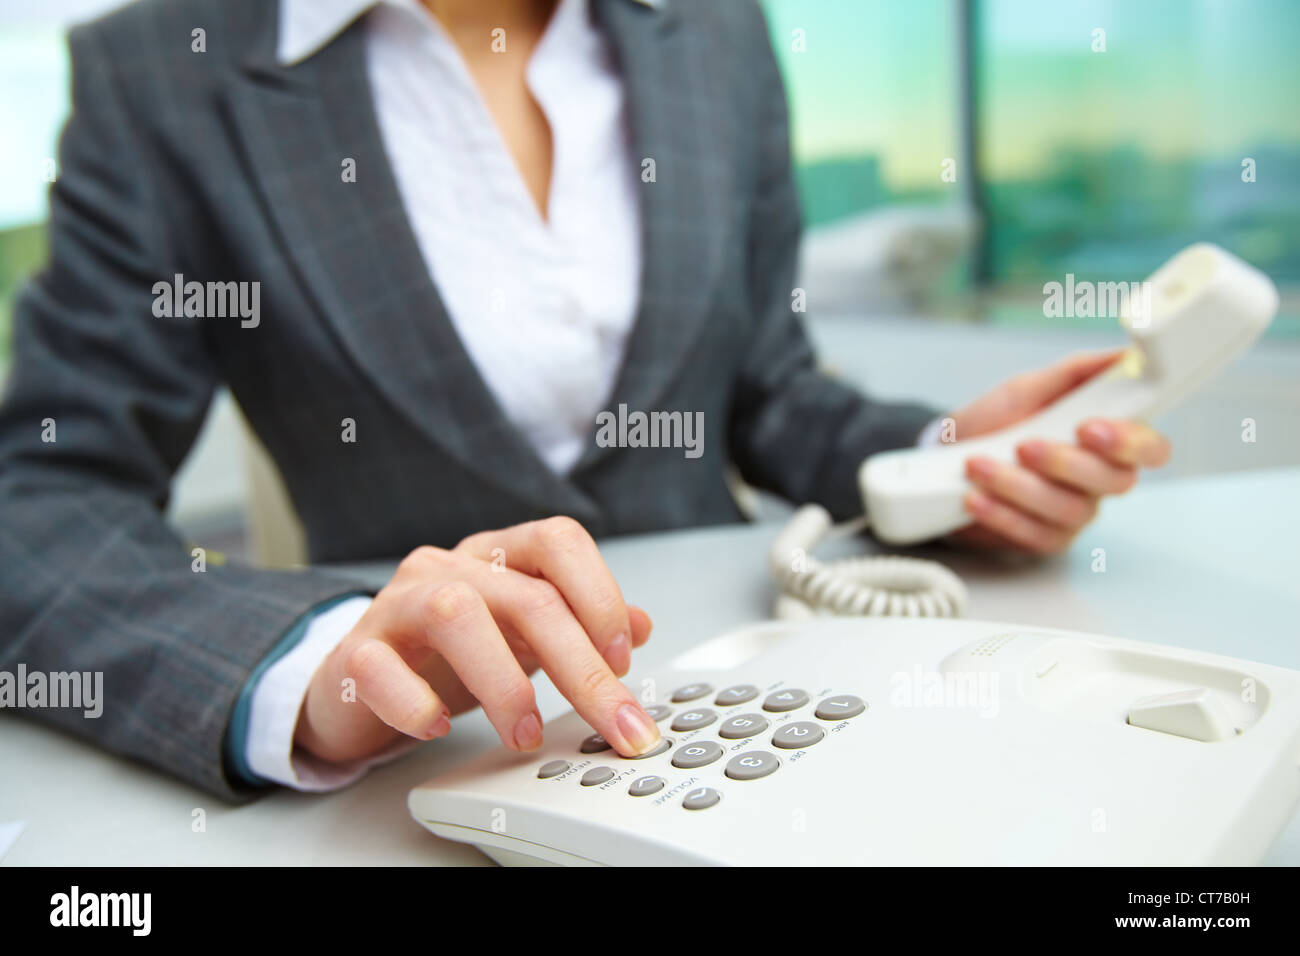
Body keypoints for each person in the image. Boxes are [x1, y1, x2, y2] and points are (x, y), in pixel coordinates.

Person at [0, 0, 1169, 800]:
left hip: (761, 700)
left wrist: (947, 461)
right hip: (428, 761)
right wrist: (303, 662)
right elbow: (40, 500)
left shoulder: (709, 30)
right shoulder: (161, 70)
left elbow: (767, 389)